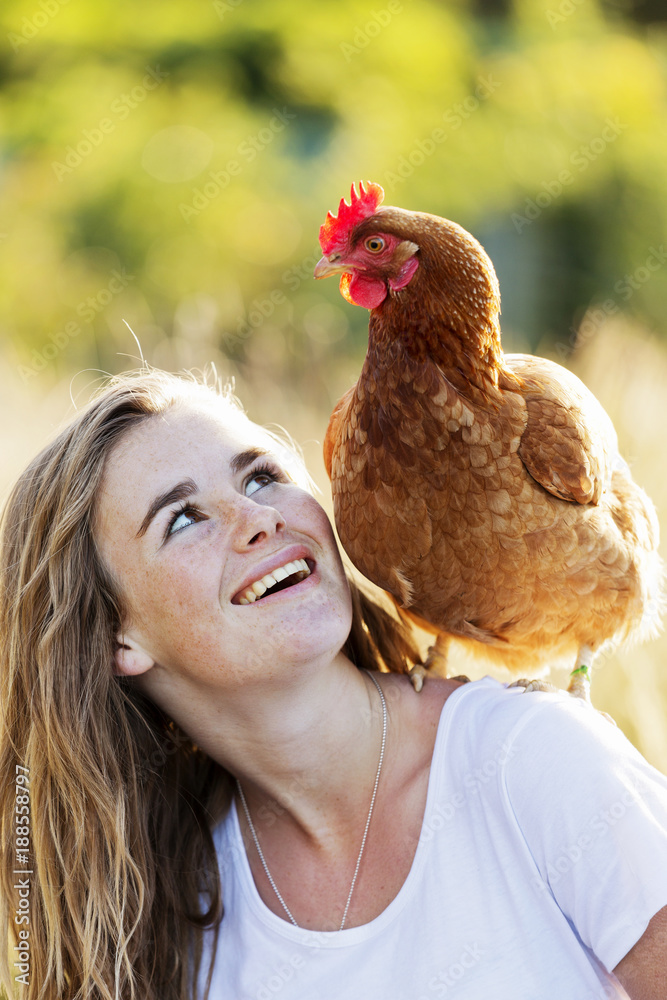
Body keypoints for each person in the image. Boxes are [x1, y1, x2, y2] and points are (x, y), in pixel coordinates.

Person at [1, 367, 666, 1000]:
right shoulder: (170, 911)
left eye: (262, 476)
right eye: (184, 517)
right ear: (119, 635)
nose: (258, 517)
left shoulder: (532, 760)